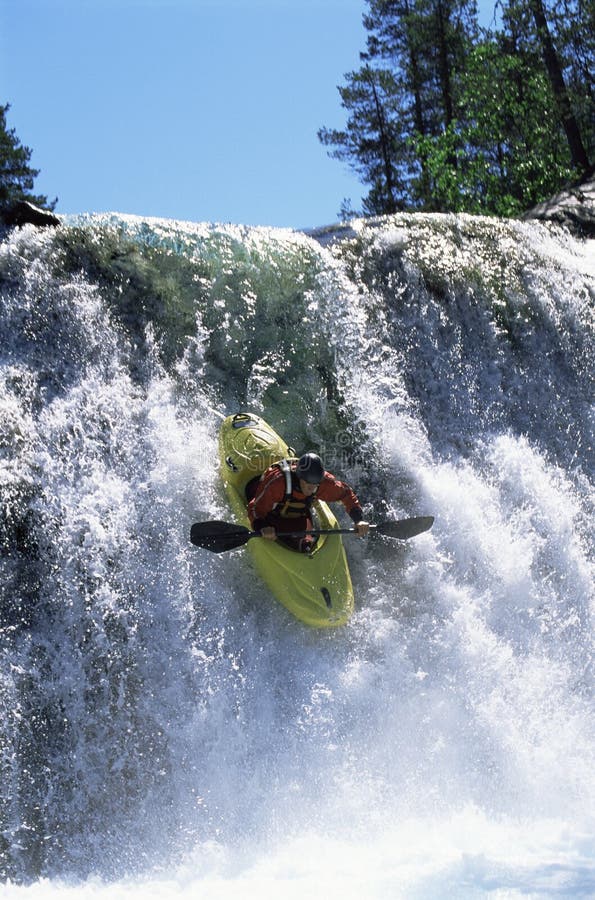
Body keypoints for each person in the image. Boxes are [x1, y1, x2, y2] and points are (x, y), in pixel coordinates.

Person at [247, 452, 369, 553]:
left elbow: (346, 494)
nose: (311, 489)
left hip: (298, 517)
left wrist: (359, 519)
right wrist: (262, 526)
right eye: (308, 484)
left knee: (305, 544)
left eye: (315, 485)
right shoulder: (278, 483)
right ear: (299, 477)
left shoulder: (322, 483)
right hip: (272, 516)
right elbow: (255, 508)